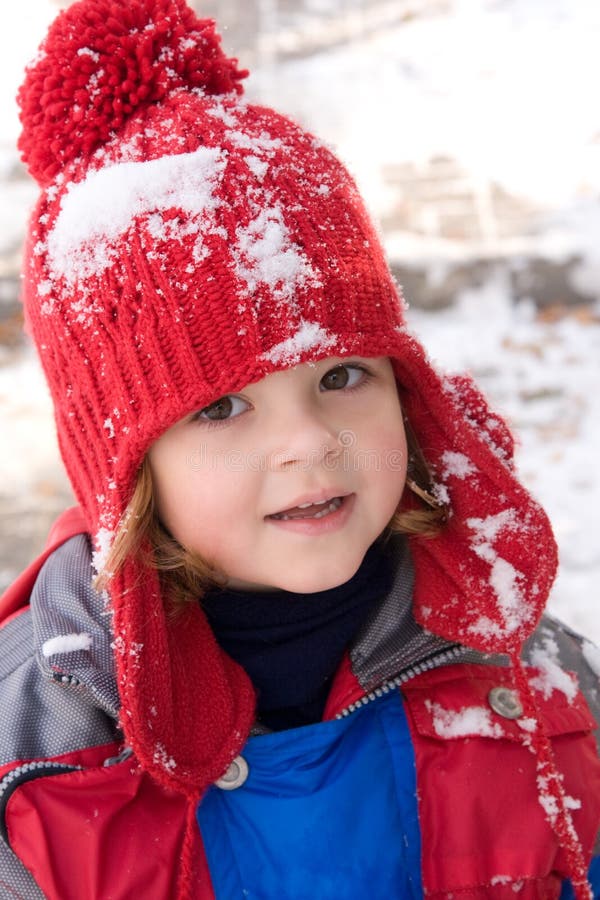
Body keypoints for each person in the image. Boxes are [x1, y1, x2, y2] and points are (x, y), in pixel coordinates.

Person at [0, 0, 599, 897]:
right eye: (222, 407)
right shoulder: (35, 762)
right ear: (123, 470)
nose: (311, 441)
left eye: (342, 375)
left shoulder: (523, 671)